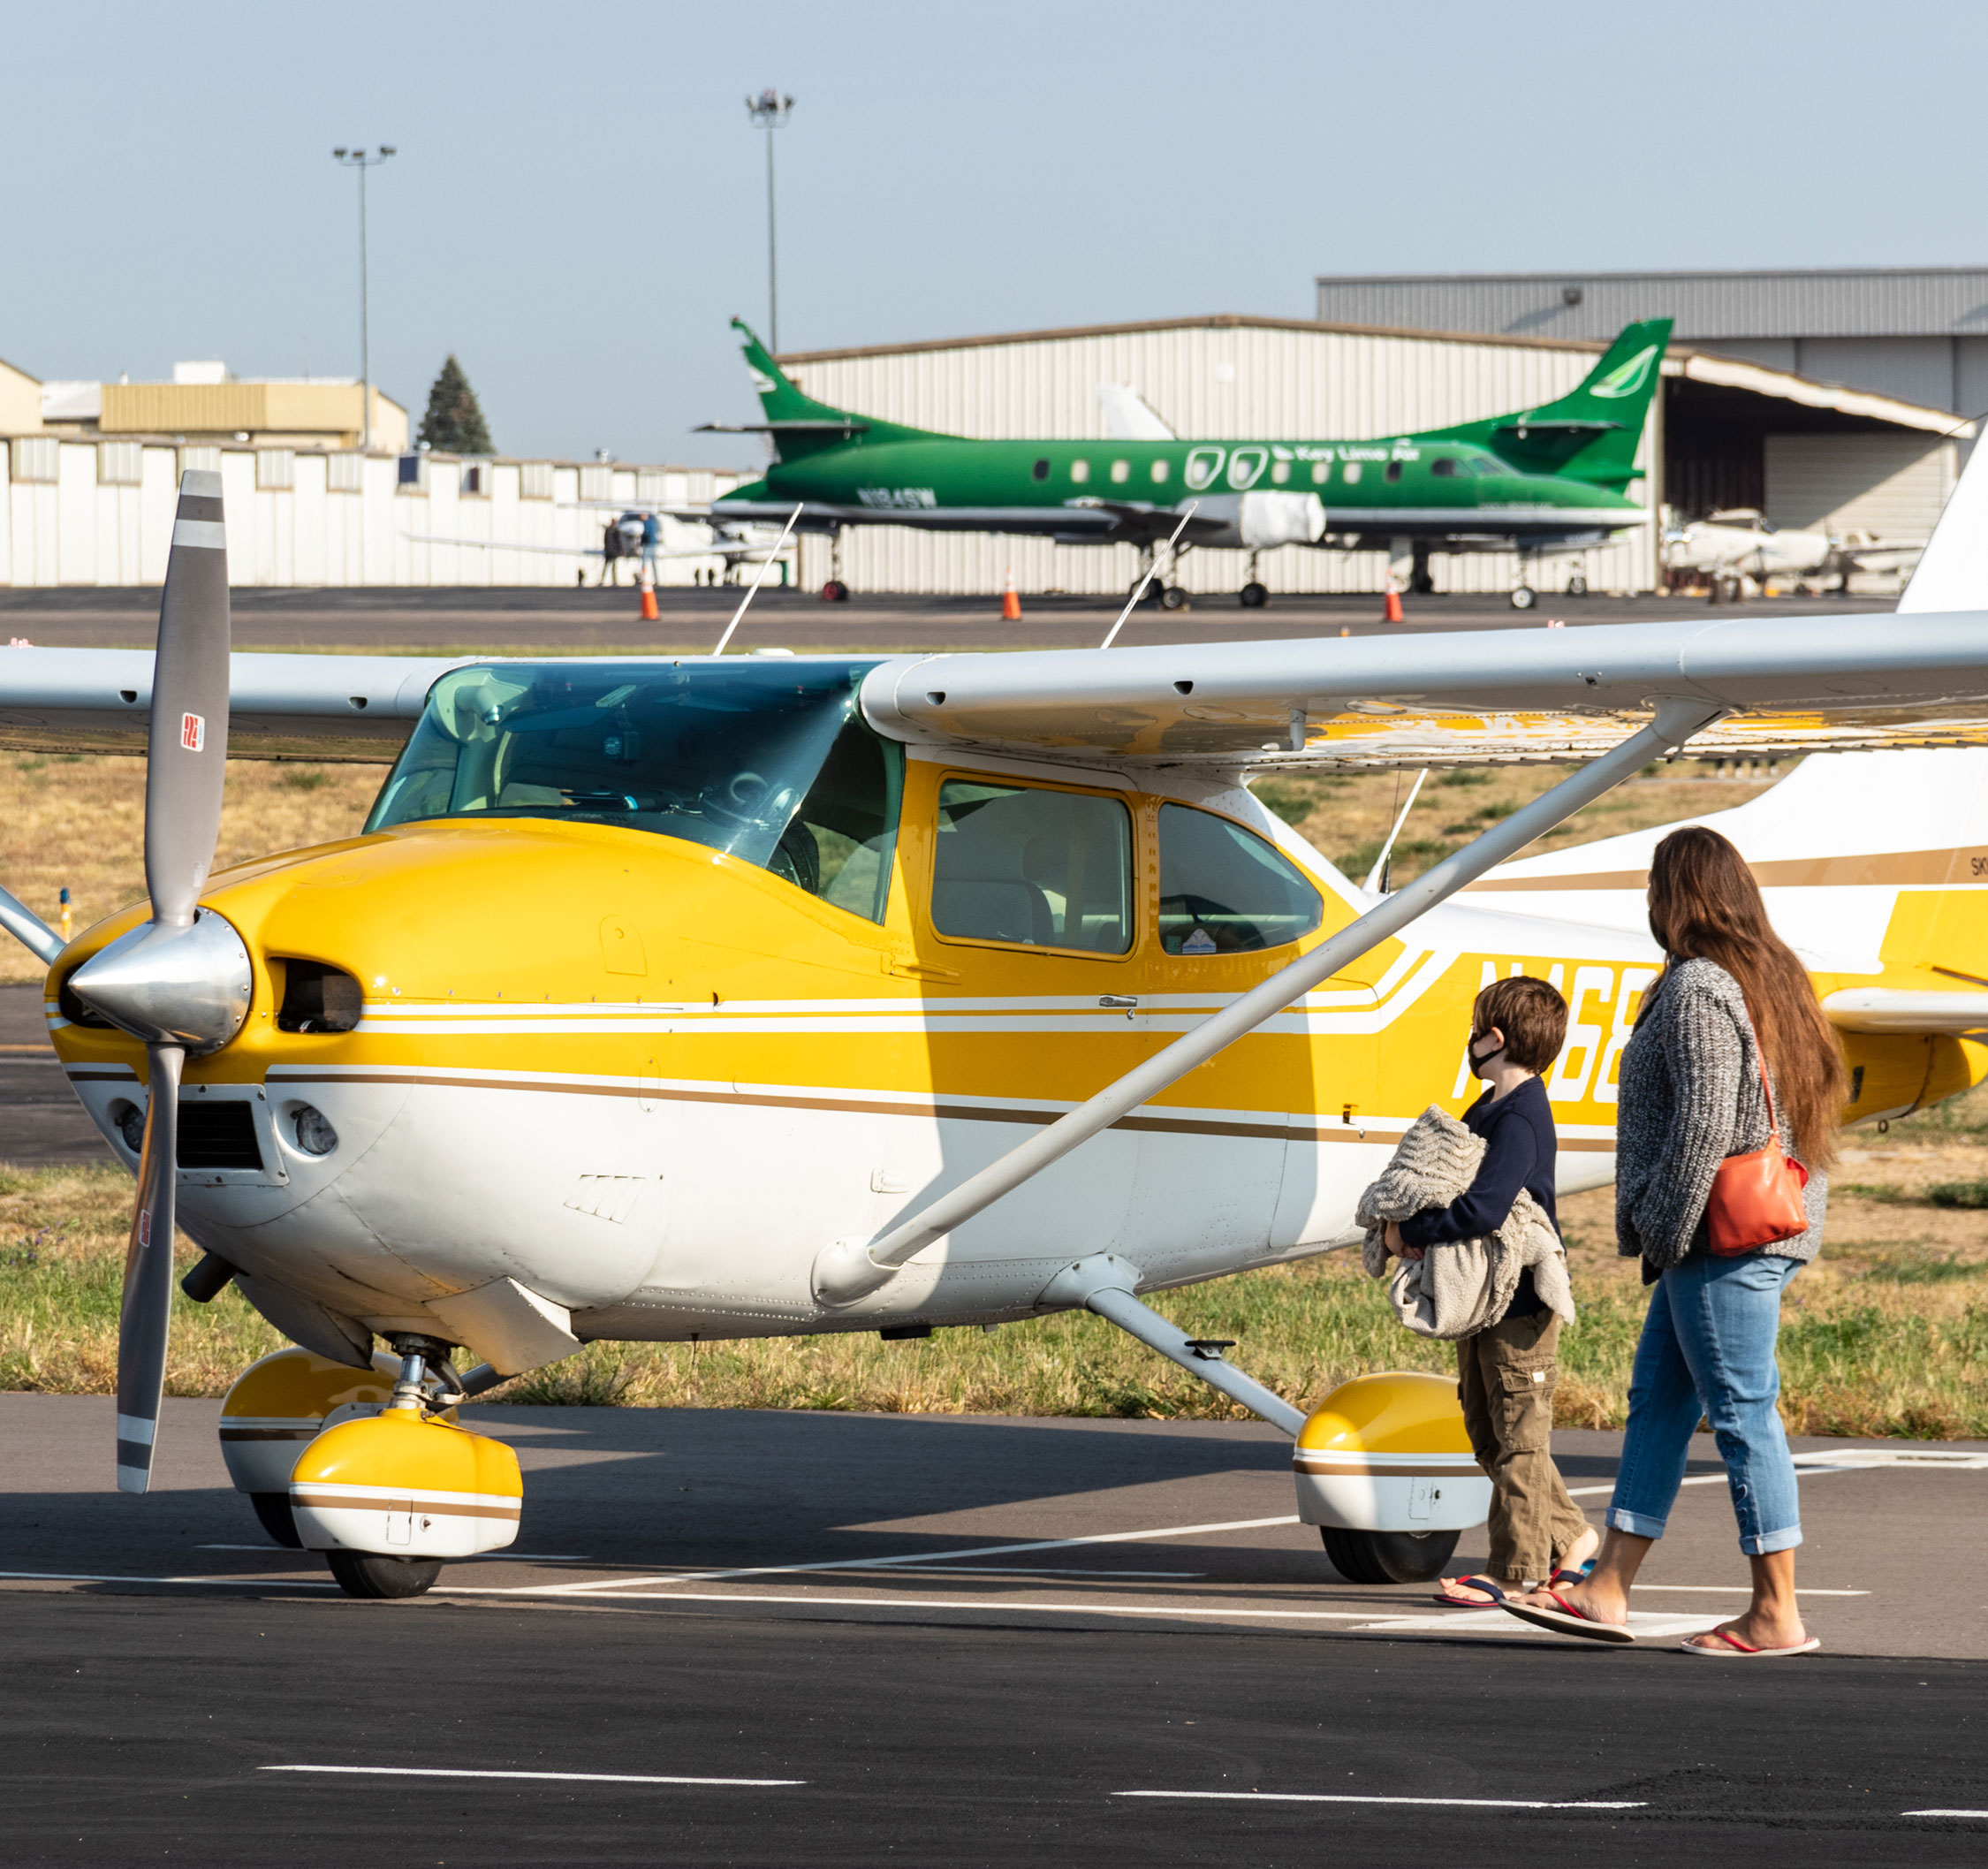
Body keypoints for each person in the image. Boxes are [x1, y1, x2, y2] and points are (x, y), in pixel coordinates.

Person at [1504, 825, 1842, 1654]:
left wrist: (1658, 1227)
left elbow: (1703, 1124)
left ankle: (1775, 1612)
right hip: (1746, 1232)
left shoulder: (1697, 986)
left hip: (1715, 1240)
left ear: (1674, 896)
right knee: (1657, 1404)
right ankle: (1607, 1588)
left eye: (1655, 887)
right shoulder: (1775, 978)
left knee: (1741, 1412)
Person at [1385, 975, 1598, 1605]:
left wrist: (1413, 1231)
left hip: (1521, 1304)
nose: (1469, 1038)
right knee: (1488, 1430)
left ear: (1494, 1039)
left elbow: (1483, 1207)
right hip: (1488, 1301)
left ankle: (1514, 1572)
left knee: (1519, 1440)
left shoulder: (1522, 1118)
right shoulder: (1488, 1109)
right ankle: (1573, 1539)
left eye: (1475, 1026)